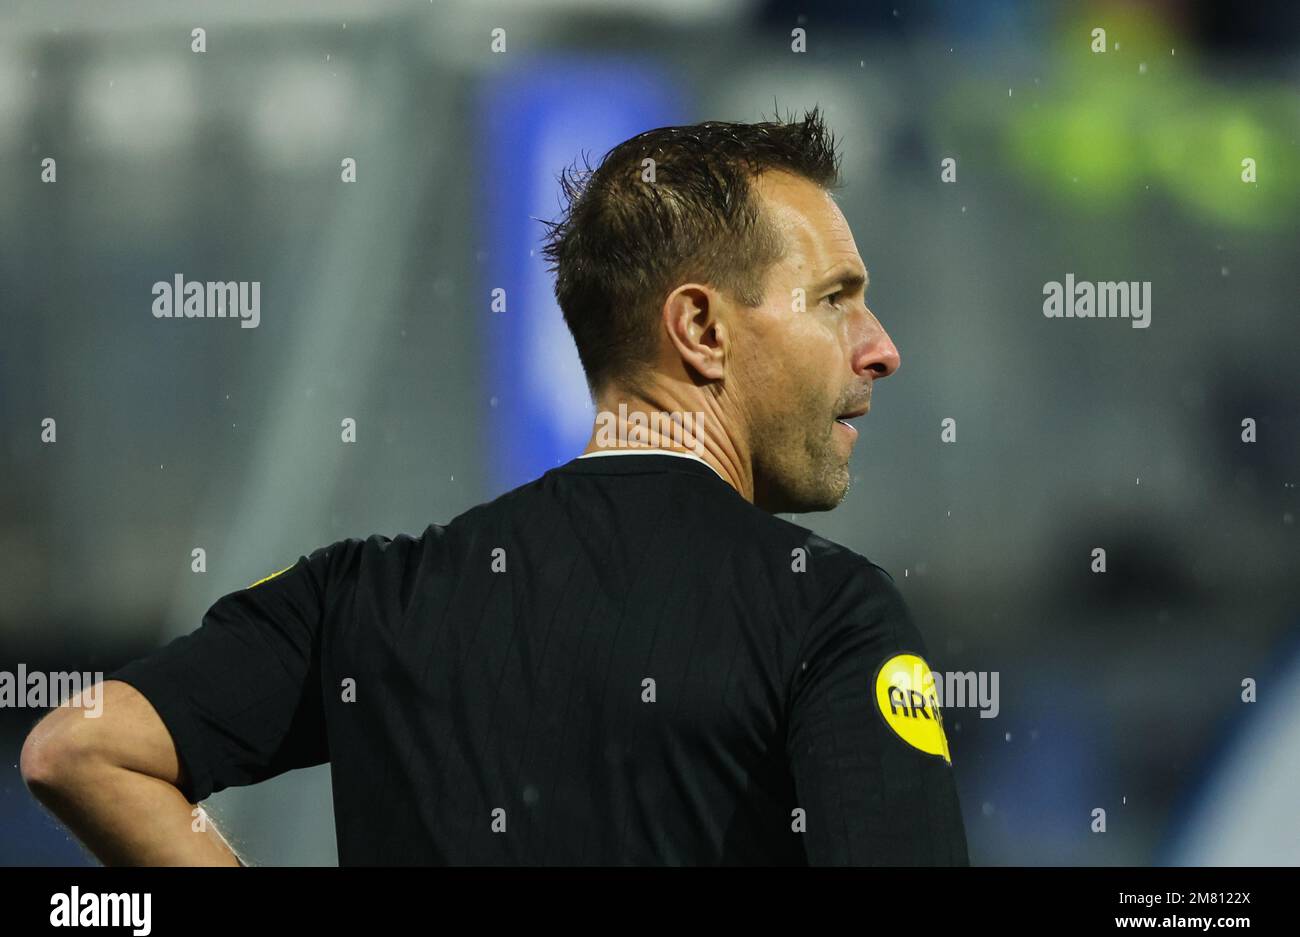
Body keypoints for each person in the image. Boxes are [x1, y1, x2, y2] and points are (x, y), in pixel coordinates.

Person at [21, 108, 969, 865]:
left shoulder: (366, 599)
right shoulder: (829, 615)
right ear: (702, 329)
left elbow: (80, 750)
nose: (880, 347)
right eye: (835, 298)